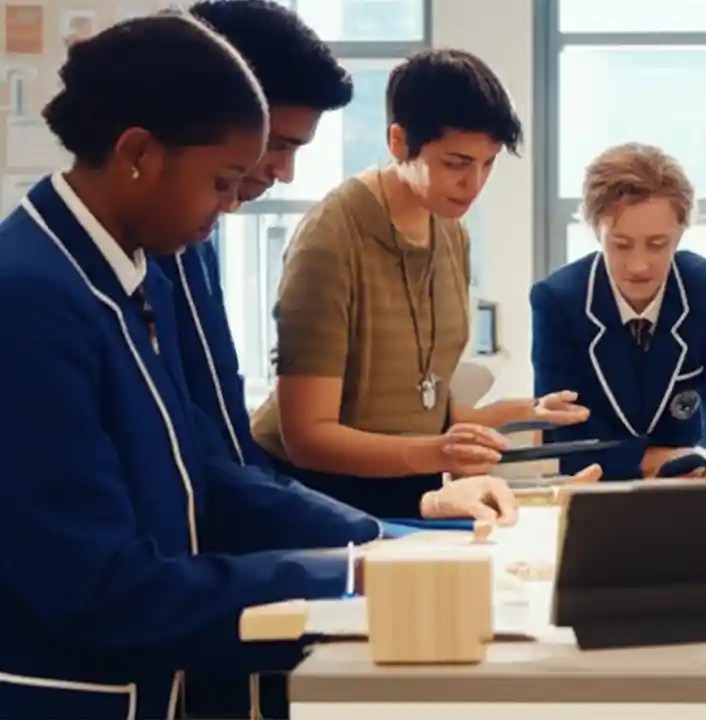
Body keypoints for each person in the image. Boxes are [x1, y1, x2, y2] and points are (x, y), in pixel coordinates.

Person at [0, 14, 437, 719]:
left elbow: (201, 471)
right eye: (221, 180)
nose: (233, 202)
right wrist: (347, 576)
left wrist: (383, 543)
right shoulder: (28, 297)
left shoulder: (127, 278)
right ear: (138, 154)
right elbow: (97, 586)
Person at [249, 48, 588, 516]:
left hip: (405, 491)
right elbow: (308, 437)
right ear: (397, 141)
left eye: (487, 164)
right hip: (310, 497)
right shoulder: (331, 237)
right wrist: (437, 453)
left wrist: (518, 413)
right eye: (456, 163)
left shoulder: (451, 230)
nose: (474, 184)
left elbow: (416, 410)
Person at [154, 0, 351, 474]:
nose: (284, 174)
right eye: (277, 145)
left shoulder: (196, 245)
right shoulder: (48, 285)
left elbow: (218, 443)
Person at [531, 143, 706, 480]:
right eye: (620, 244)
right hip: (598, 489)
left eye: (658, 244)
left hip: (694, 485)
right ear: (594, 229)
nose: (639, 265)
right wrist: (653, 462)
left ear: (682, 231)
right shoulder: (558, 300)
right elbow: (562, 432)